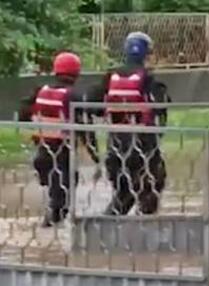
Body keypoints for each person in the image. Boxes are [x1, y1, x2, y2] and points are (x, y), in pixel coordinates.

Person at [90, 32, 171, 216]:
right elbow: (161, 106)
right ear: (146, 54)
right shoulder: (149, 80)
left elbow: (93, 105)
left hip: (116, 149)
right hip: (144, 149)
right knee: (148, 193)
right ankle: (140, 236)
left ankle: (107, 233)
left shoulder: (110, 77)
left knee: (122, 197)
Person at [17, 52, 101, 227]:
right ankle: (54, 221)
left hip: (42, 153)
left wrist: (34, 128)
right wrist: (95, 155)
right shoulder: (73, 96)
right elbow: (85, 129)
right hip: (62, 153)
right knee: (65, 189)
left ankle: (52, 219)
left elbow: (24, 113)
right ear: (76, 73)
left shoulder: (40, 91)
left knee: (55, 188)